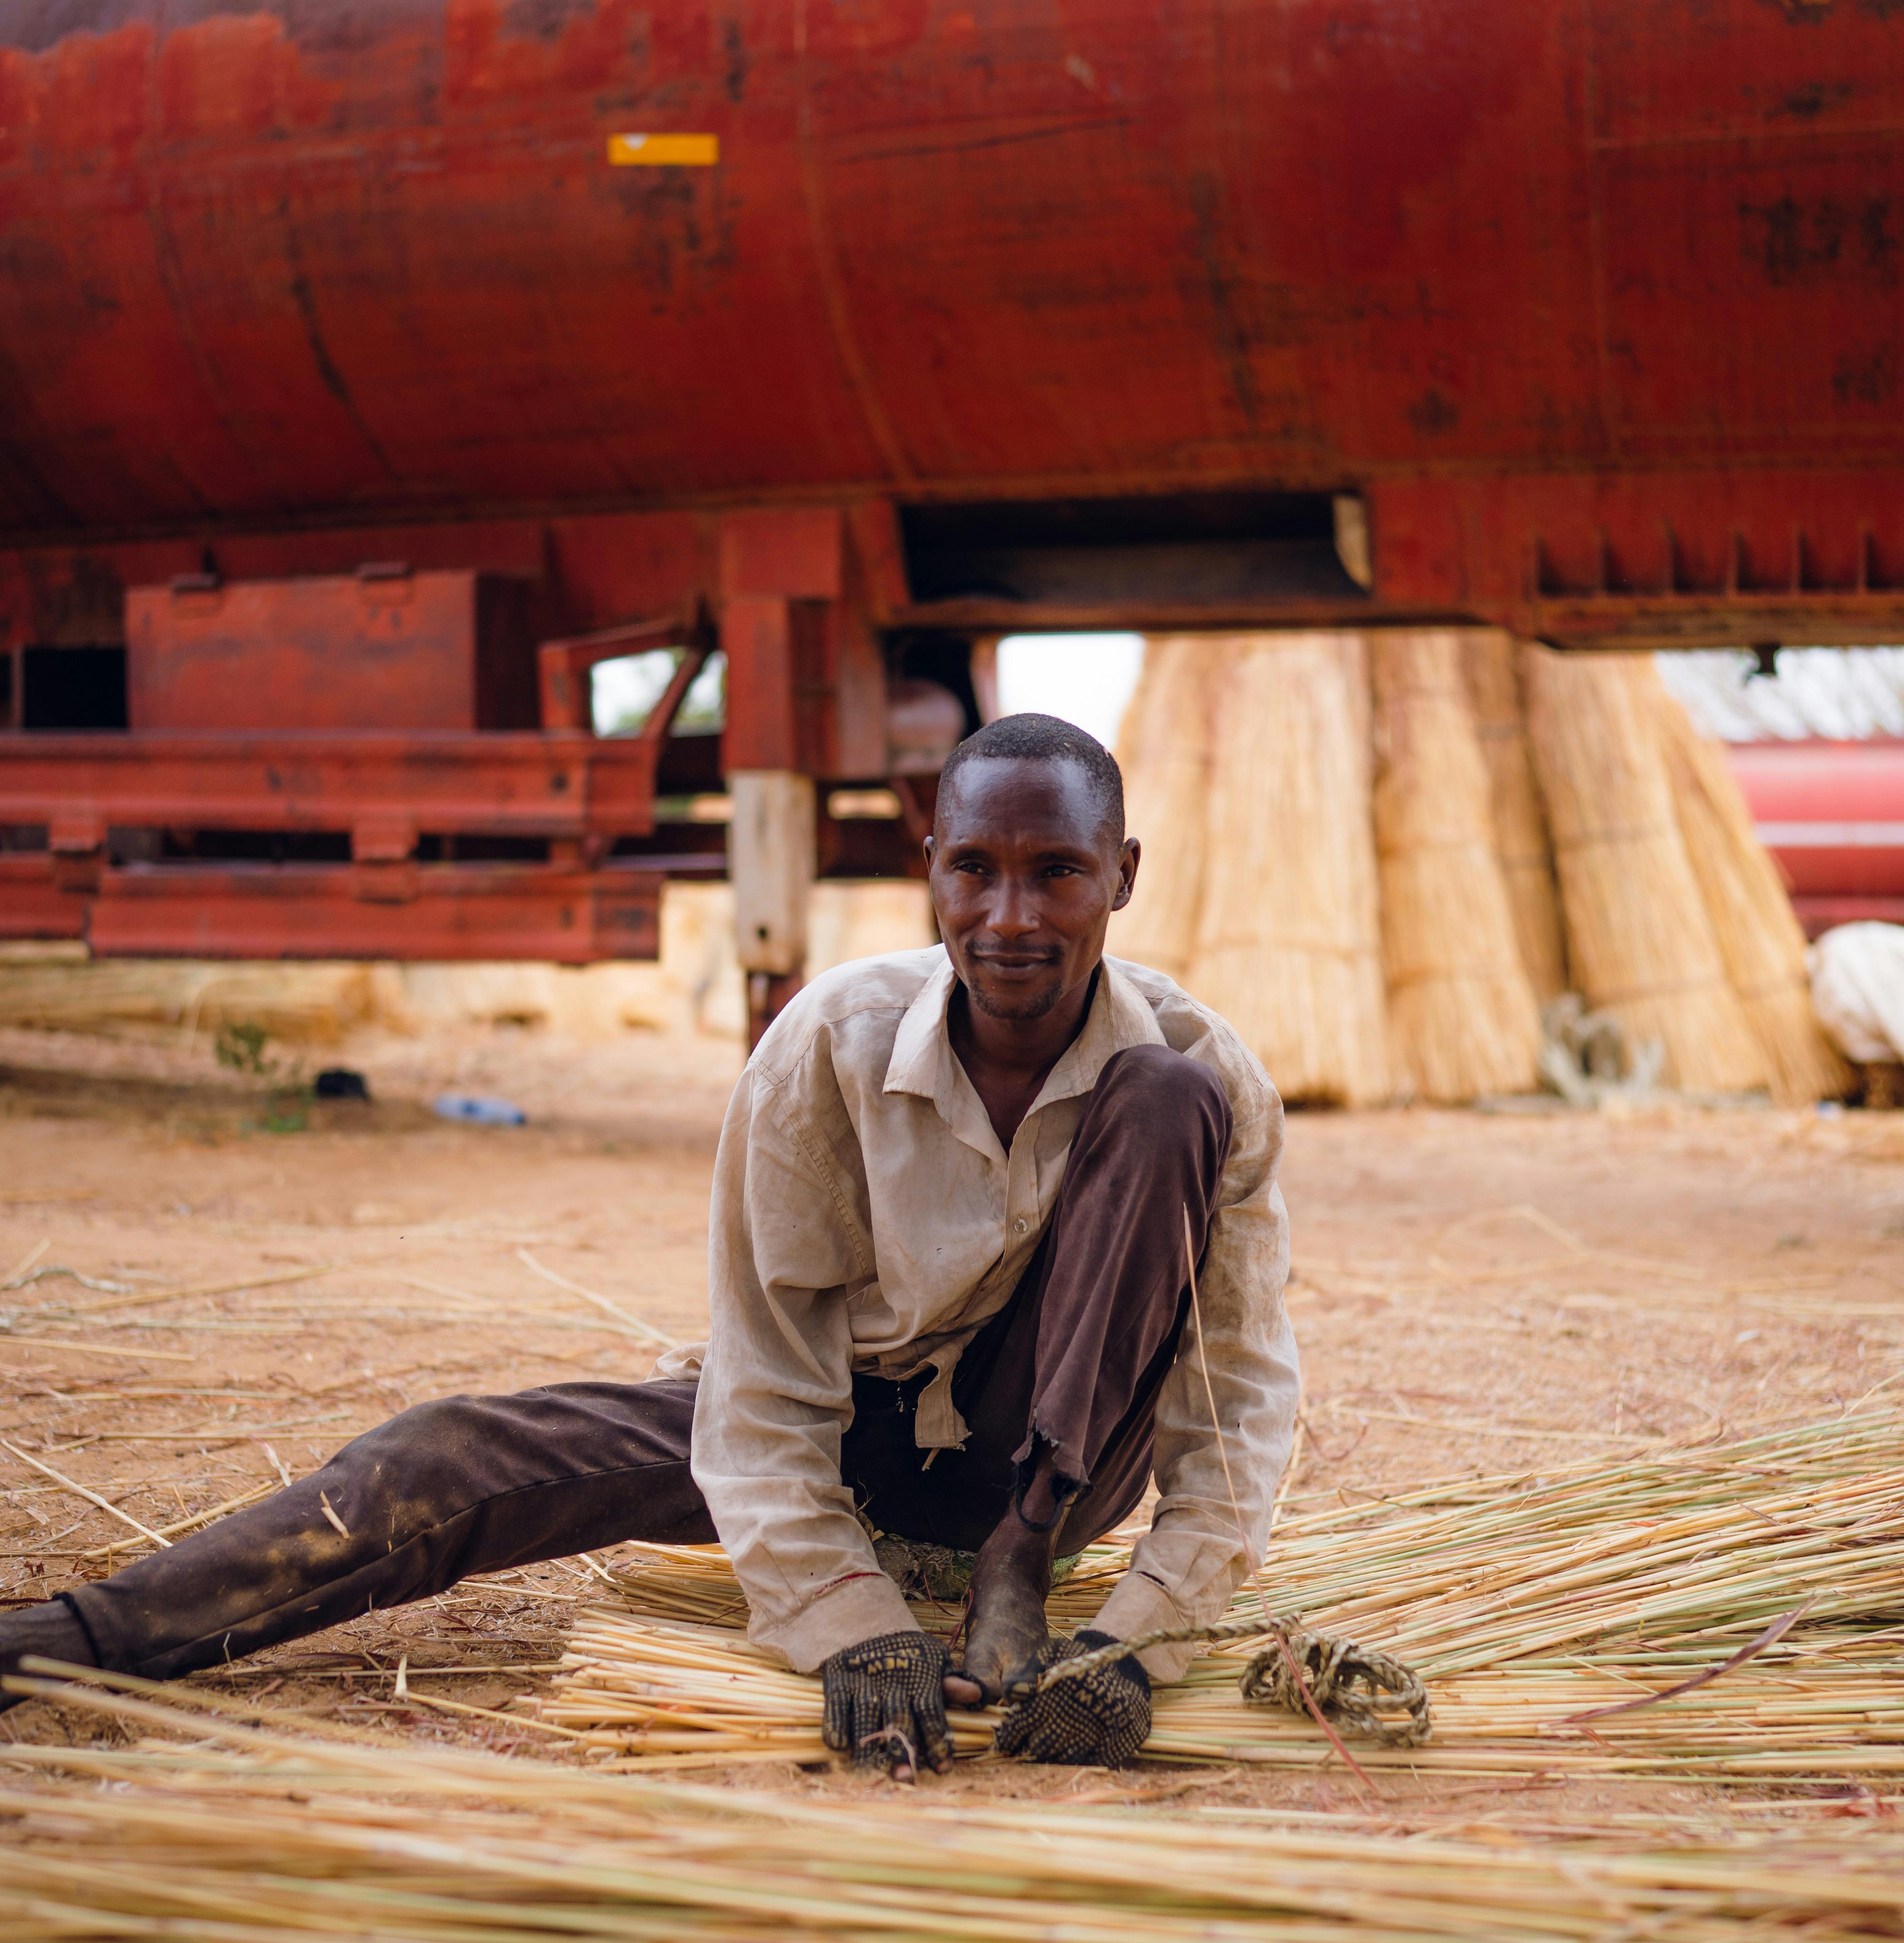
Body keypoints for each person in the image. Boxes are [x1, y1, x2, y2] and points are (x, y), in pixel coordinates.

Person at [0, 714, 1299, 1775]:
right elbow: (771, 1377)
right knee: (446, 1456)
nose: (1012, 915)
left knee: (1161, 1098)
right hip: (854, 1431)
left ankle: (1015, 1548)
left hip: (1061, 1461)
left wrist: (1134, 1645)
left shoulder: (1203, 1066)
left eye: (1058, 873)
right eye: (977, 868)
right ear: (932, 869)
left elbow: (1234, 1402)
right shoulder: (828, 1046)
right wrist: (845, 1616)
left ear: (1120, 876)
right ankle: (72, 1637)